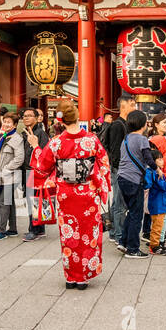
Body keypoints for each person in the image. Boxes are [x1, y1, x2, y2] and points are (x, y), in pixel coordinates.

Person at [30, 101, 111, 288]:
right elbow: (104, 164)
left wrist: (35, 146)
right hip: (87, 193)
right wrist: (99, 183)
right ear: (76, 116)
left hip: (65, 193)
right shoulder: (91, 140)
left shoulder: (56, 142)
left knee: (69, 235)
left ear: (61, 121)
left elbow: (42, 167)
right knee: (87, 233)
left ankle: (71, 277)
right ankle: (84, 275)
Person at [115, 108, 156, 257]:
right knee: (137, 215)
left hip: (122, 178)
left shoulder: (126, 139)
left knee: (131, 212)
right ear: (143, 124)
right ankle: (133, 249)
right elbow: (148, 158)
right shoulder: (142, 139)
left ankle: (123, 242)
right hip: (133, 180)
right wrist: (158, 169)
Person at [0, 111, 24, 239]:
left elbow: (19, 158)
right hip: (0, 173)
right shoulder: (4, 136)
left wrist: (6, 169)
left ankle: (1, 231)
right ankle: (13, 229)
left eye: (9, 122)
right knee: (10, 202)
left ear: (14, 125)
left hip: (10, 175)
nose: (6, 124)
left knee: (3, 202)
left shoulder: (17, 139)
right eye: (5, 121)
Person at [104, 95, 136, 245]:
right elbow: (115, 151)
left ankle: (112, 231)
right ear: (123, 106)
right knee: (120, 204)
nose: (134, 107)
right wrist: (120, 169)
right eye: (132, 104)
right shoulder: (118, 125)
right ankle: (118, 235)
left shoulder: (126, 124)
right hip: (119, 169)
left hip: (122, 169)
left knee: (118, 201)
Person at [145, 134, 166, 254]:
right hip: (158, 204)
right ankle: (155, 246)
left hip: (160, 202)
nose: (162, 161)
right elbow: (165, 185)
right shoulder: (156, 173)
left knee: (158, 225)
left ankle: (158, 243)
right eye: (159, 159)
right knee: (157, 226)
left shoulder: (157, 169)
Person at [20, 107, 50, 241]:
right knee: (34, 200)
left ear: (36, 118)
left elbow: (44, 155)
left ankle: (33, 230)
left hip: (35, 173)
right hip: (26, 171)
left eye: (29, 116)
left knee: (33, 201)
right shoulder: (24, 133)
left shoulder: (40, 134)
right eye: (24, 116)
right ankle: (40, 229)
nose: (26, 118)